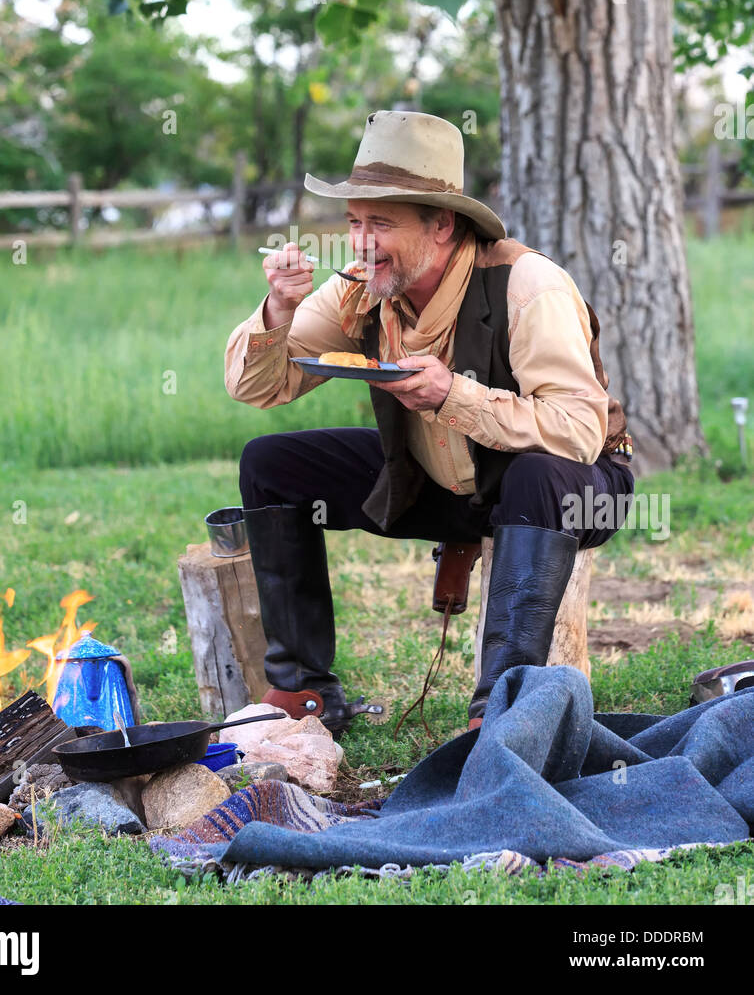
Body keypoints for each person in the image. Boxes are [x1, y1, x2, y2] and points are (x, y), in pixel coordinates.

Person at [224, 110, 635, 737]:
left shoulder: (529, 285)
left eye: (380, 224)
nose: (360, 243)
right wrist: (278, 310)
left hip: (571, 493)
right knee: (271, 465)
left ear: (442, 224)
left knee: (535, 477)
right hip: (443, 485)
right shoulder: (362, 288)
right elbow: (258, 386)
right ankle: (303, 694)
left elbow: (578, 432)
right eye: (355, 222)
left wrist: (455, 396)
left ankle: (500, 716)